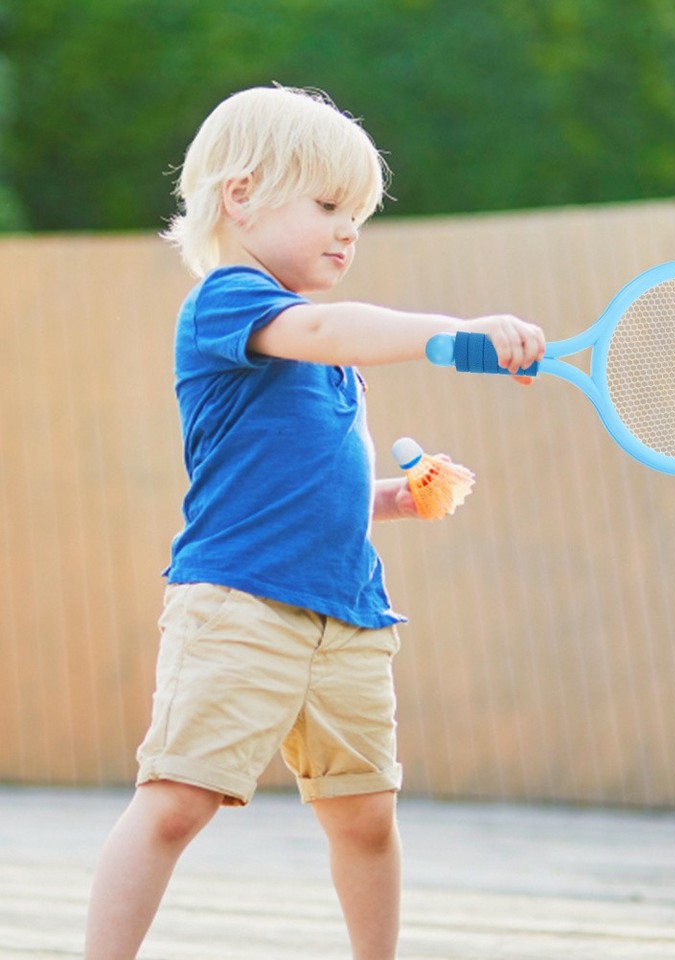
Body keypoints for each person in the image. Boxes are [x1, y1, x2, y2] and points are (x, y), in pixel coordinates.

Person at [84, 84, 545, 960]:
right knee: (178, 801)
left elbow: (297, 476)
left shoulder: (326, 359)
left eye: (359, 217)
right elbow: (331, 327)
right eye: (329, 205)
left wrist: (388, 499)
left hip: (348, 612)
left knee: (366, 817)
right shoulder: (230, 303)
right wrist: (454, 336)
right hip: (239, 605)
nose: (348, 232)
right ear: (243, 194)